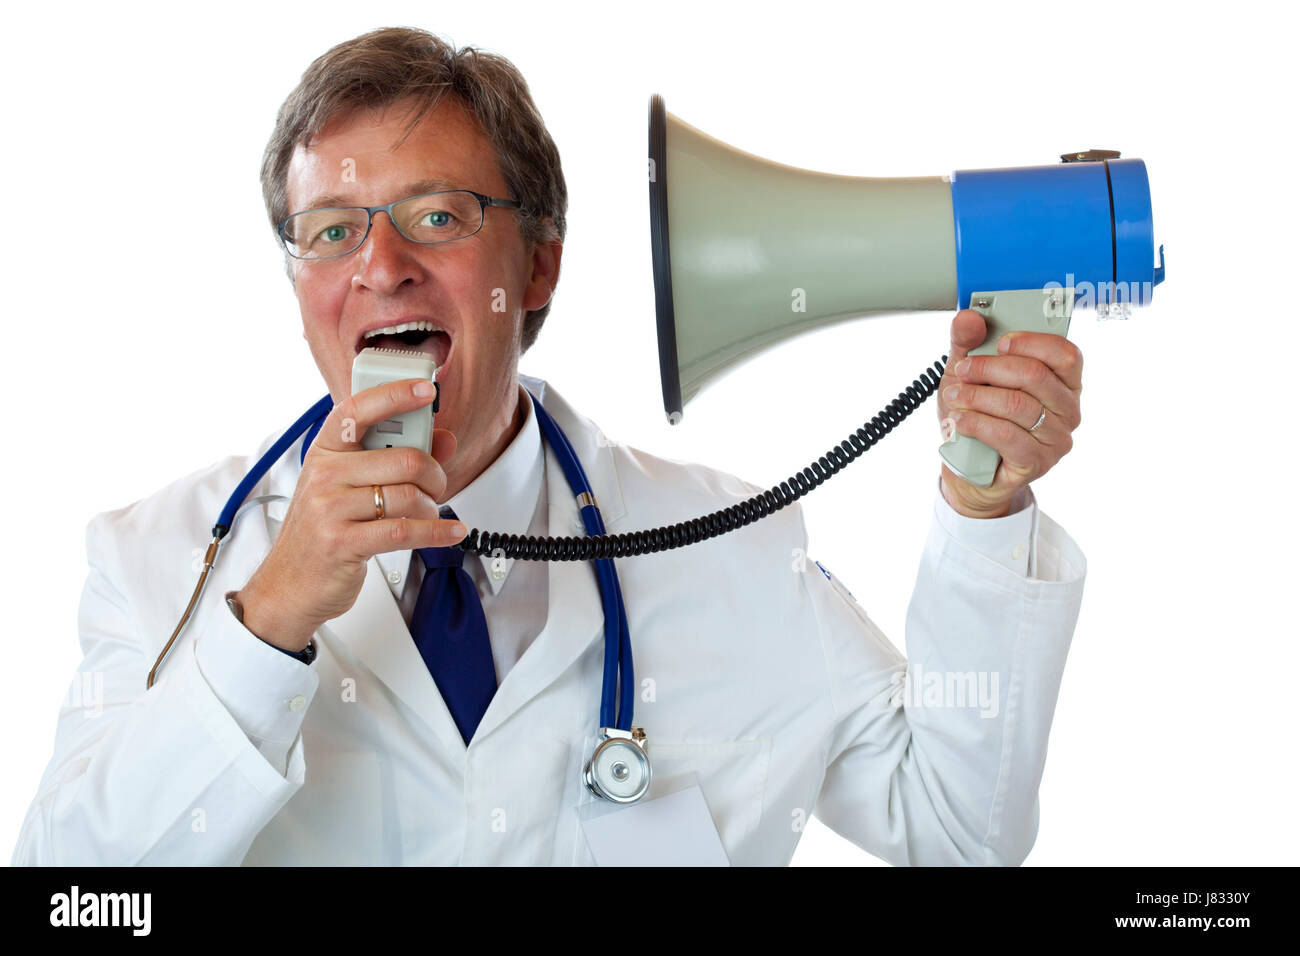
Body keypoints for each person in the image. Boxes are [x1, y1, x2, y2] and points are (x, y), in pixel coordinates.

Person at [11, 27, 1086, 866]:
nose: (380, 266)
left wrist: (980, 514)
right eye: (332, 229)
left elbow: (956, 825)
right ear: (301, 283)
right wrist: (269, 621)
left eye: (436, 216)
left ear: (535, 269)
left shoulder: (730, 550)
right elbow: (75, 895)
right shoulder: (153, 560)